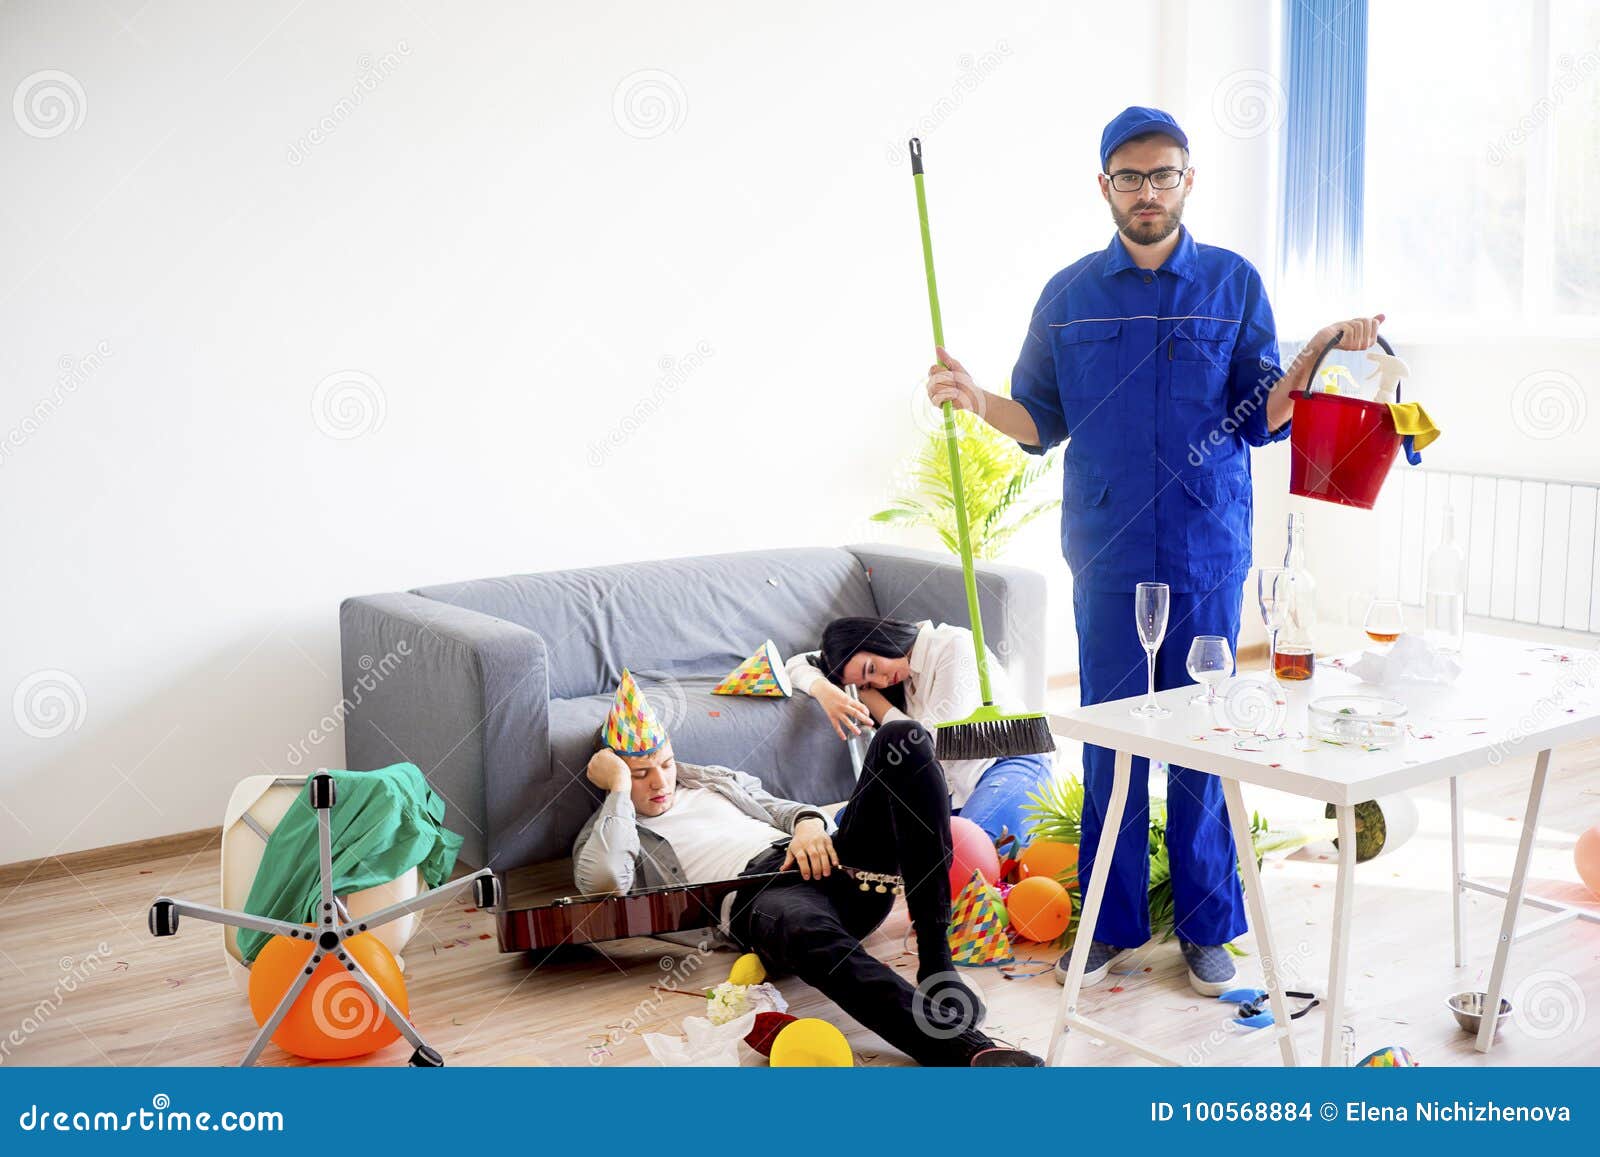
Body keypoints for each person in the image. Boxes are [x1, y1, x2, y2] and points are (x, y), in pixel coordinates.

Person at [925, 105, 1384, 997]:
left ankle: (1210, 926)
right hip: (1107, 548)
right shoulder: (1067, 297)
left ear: (1187, 181)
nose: (1147, 191)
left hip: (1208, 544)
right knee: (1113, 739)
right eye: (1130, 176)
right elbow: (1039, 420)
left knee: (1206, 742)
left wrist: (1322, 349)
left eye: (1163, 174)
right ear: (1105, 186)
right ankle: (1111, 922)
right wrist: (974, 397)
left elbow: (1266, 416)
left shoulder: (1233, 283)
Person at [572, 669, 1041, 1067]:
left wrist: (810, 823)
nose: (659, 781)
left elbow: (786, 809)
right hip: (765, 898)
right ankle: (968, 1052)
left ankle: (938, 965)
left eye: (666, 764)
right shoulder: (613, 830)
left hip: (830, 861)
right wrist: (617, 792)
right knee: (806, 930)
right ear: (613, 776)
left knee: (904, 737)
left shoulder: (713, 782)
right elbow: (606, 881)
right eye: (638, 774)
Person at [786, 616, 1052, 848]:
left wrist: (873, 699)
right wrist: (823, 689)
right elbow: (797, 662)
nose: (879, 682)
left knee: (968, 851)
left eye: (872, 670)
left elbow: (929, 743)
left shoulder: (954, 646)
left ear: (877, 638)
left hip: (1006, 764)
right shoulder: (902, 670)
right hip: (947, 789)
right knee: (847, 822)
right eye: (867, 683)